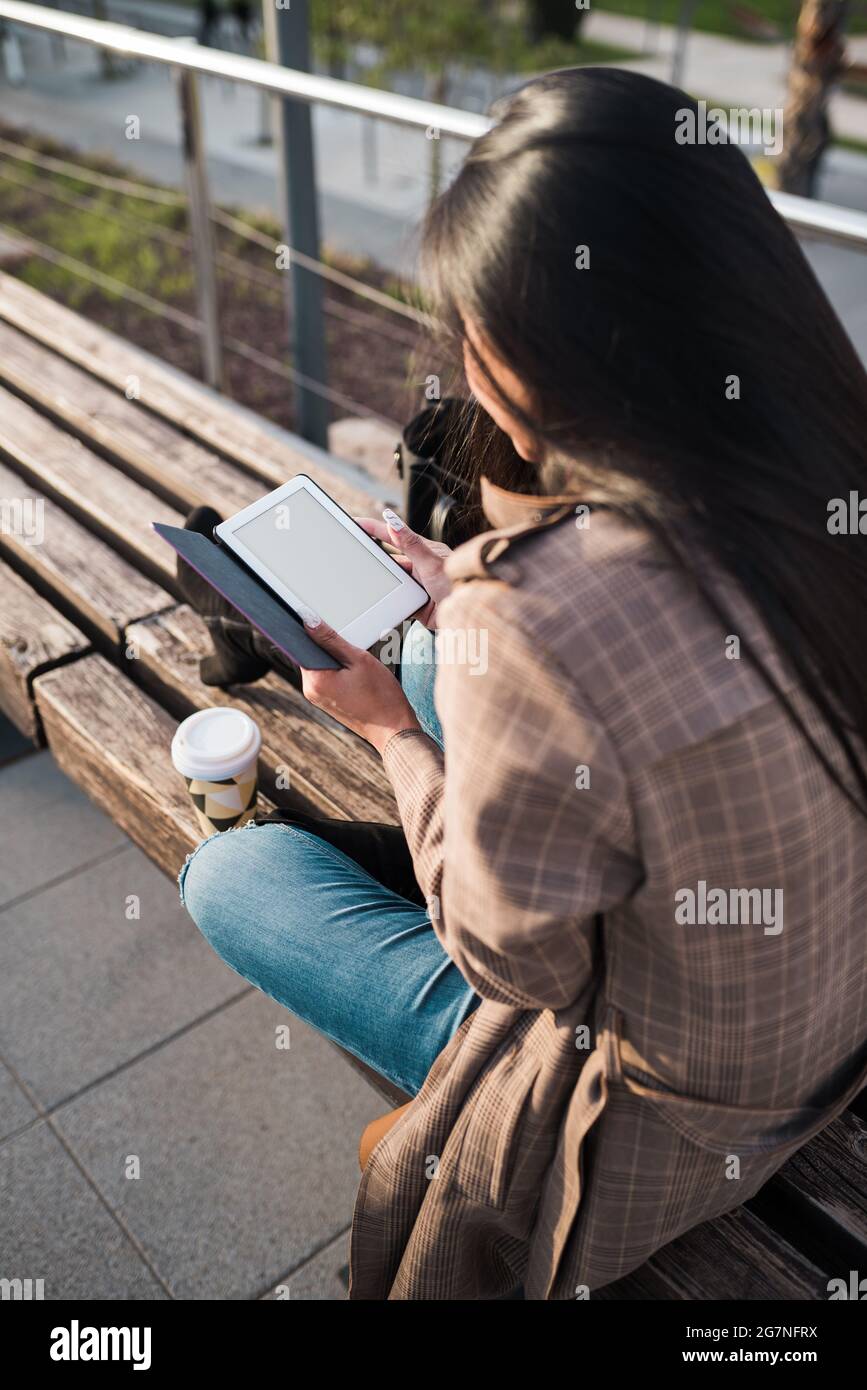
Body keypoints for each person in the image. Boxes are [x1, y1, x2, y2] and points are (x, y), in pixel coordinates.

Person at [178, 67, 867, 1300]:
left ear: (521, 361)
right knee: (446, 642)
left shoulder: (542, 605)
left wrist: (392, 732)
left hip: (655, 1114)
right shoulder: (824, 463)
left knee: (232, 871)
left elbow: (522, 970)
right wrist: (474, 608)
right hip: (829, 1016)